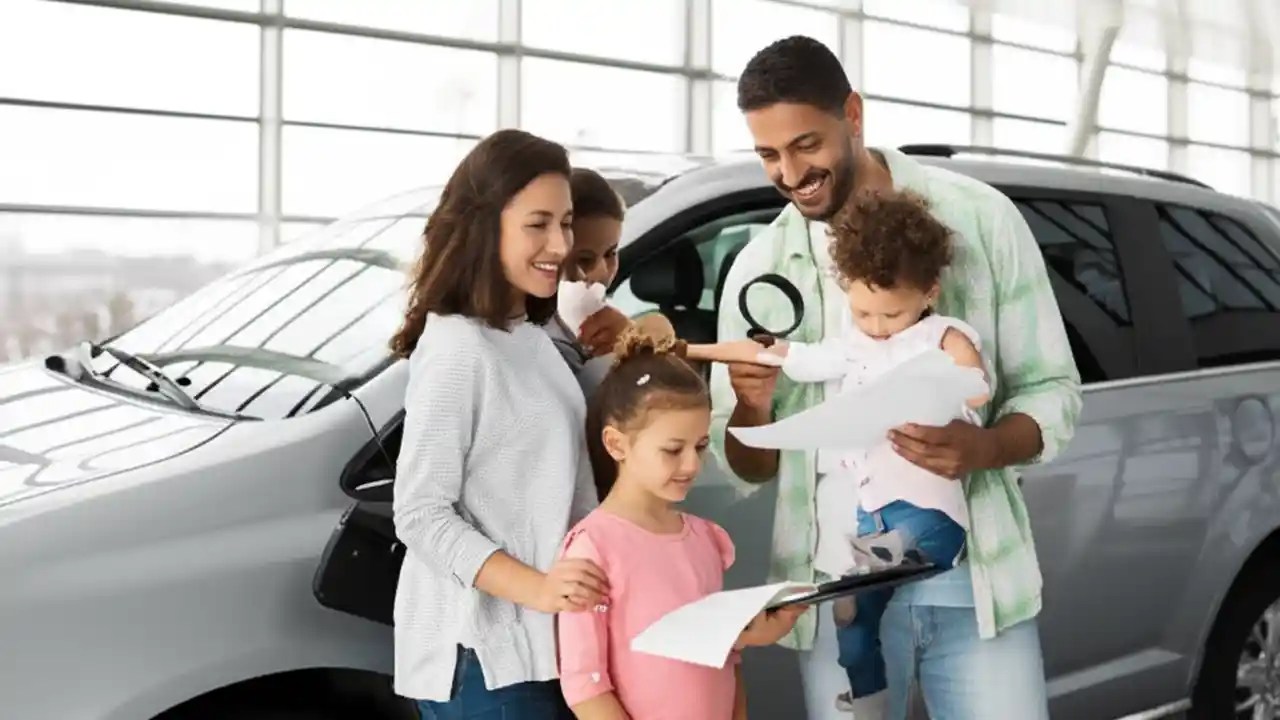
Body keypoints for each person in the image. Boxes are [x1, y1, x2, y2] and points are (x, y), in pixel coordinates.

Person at [708, 36, 1083, 719]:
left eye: (806, 144)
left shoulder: (979, 220)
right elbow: (744, 466)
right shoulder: (761, 268)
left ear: (853, 114)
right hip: (840, 589)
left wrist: (987, 448)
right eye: (769, 154)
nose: (791, 174)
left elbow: (1052, 389)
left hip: (975, 585)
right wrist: (751, 411)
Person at [688, 191, 988, 716]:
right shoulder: (854, 342)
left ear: (929, 292)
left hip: (930, 519)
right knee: (853, 626)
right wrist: (698, 352)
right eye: (863, 310)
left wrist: (934, 387)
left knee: (902, 550)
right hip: (870, 523)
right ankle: (867, 700)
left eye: (891, 313)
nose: (875, 325)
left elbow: (977, 389)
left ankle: (878, 565)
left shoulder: (943, 337)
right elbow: (797, 358)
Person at [388, 128, 606, 719]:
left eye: (565, 223)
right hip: (488, 661)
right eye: (538, 223)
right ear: (487, 227)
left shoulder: (528, 337)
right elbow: (420, 512)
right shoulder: (460, 348)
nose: (560, 244)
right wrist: (538, 589)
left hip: (545, 646)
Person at [556, 326, 808, 720]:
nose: (692, 464)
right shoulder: (595, 546)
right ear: (617, 444)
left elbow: (727, 657)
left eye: (701, 446)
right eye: (673, 450)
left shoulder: (706, 540)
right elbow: (584, 682)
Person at [546, 168, 633, 395]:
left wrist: (636, 345)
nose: (601, 272)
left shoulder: (613, 328)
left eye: (611, 254)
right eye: (584, 259)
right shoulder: (536, 341)